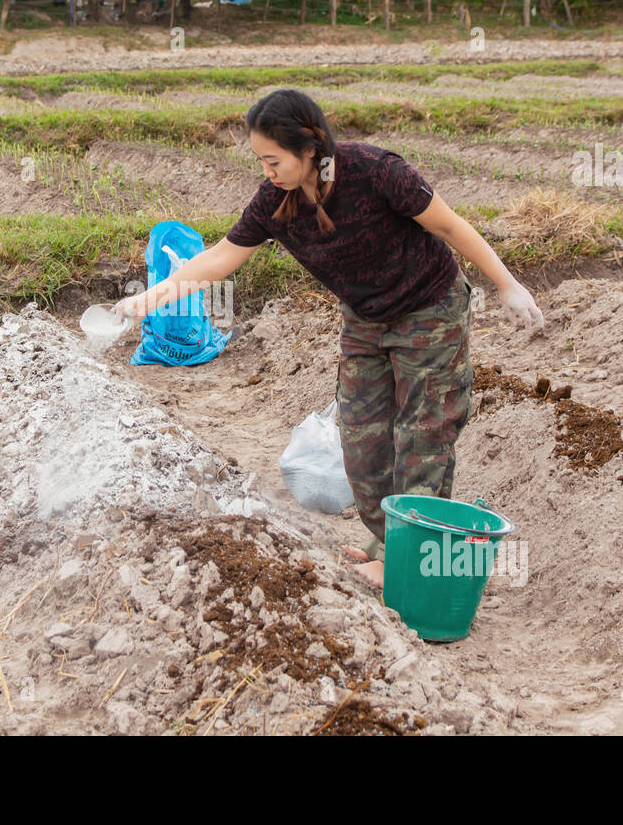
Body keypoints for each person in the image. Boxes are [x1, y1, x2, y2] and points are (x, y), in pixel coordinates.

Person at [112, 89, 543, 588]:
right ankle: (387, 543)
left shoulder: (376, 172)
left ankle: (409, 565)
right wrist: (146, 301)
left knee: (423, 437)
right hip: (364, 319)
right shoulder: (275, 201)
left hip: (429, 309)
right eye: (260, 161)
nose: (267, 172)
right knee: (362, 443)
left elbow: (448, 225)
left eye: (273, 160)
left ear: (310, 149)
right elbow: (219, 258)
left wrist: (507, 284)